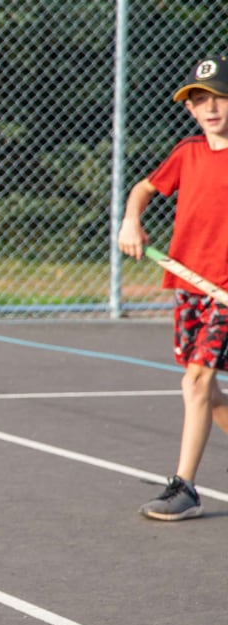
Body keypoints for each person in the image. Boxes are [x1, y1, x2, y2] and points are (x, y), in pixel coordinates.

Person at [118, 54, 228, 521]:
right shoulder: (187, 153)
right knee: (205, 391)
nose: (210, 107)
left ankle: (184, 488)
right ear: (190, 109)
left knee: (197, 380)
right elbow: (144, 189)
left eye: (219, 97)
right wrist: (131, 219)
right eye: (199, 100)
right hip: (190, 287)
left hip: (224, 291)